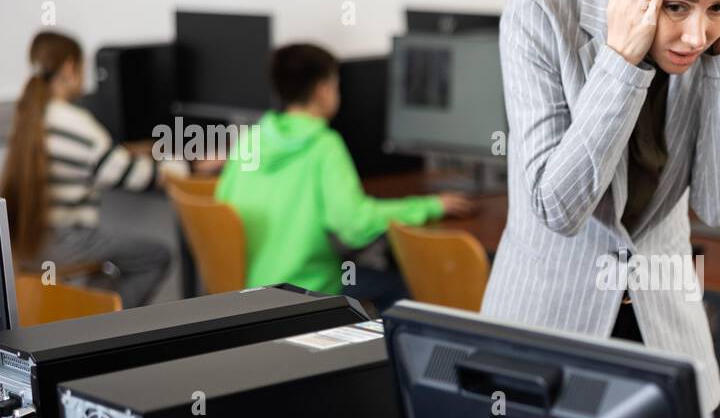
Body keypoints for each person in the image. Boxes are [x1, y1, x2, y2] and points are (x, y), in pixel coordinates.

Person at [479, 0, 720, 416]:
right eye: (676, 7)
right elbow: (558, 209)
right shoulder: (539, 19)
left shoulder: (713, 42)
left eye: (719, 5)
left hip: (663, 337)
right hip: (549, 335)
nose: (697, 35)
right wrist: (621, 62)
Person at [215, 43, 473, 308]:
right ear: (323, 91)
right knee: (405, 286)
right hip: (307, 290)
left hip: (251, 288)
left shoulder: (252, 138)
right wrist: (430, 205)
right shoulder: (324, 145)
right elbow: (355, 225)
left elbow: (222, 208)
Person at [2, 30, 187, 308]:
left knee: (111, 269)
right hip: (66, 241)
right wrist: (179, 164)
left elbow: (99, 159)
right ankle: (107, 322)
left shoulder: (28, 117)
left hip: (29, 243)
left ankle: (94, 313)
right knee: (156, 255)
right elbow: (136, 176)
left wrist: (122, 151)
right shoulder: (77, 122)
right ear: (69, 68)